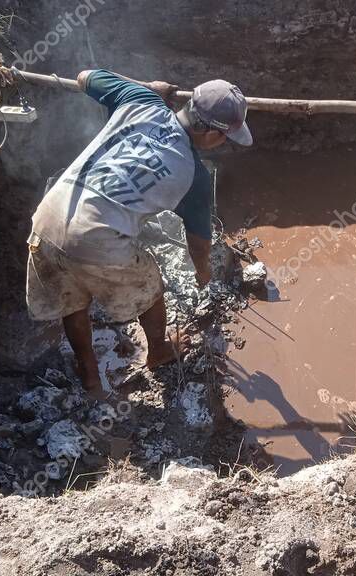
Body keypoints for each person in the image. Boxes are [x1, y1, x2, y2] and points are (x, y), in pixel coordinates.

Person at [26, 69, 252, 399]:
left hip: (48, 218)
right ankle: (158, 350)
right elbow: (199, 245)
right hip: (96, 240)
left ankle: (90, 376)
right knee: (151, 283)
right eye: (226, 138)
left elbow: (85, 76)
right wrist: (204, 273)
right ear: (214, 135)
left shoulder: (140, 99)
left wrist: (147, 86)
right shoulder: (194, 176)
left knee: (70, 297)